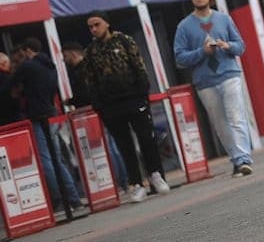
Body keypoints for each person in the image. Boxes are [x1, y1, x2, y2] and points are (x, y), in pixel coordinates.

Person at [78, 15, 170, 203]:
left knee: (147, 138)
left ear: (107, 23)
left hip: (134, 99)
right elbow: (91, 81)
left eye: (97, 25)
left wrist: (142, 93)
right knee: (124, 146)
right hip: (110, 106)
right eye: (90, 27)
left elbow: (139, 67)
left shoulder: (124, 41)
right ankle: (136, 183)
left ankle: (155, 174)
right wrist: (99, 105)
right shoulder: (90, 52)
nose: (94, 29)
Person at [173, 0, 255, 177]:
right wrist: (203, 52)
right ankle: (236, 159)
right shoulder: (184, 27)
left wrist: (228, 46)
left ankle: (243, 158)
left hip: (229, 74)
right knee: (220, 123)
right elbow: (179, 58)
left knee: (236, 117)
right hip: (205, 81)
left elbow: (241, 46)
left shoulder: (223, 19)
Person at [11, 39, 86, 213]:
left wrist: (20, 90)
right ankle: (73, 198)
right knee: (56, 159)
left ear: (28, 51)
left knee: (46, 160)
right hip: (51, 113)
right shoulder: (50, 66)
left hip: (37, 116)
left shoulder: (28, 66)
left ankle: (60, 199)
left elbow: (11, 84)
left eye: (21, 56)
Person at [62, 41, 129, 193]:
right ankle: (124, 181)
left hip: (92, 111)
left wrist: (71, 101)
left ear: (73, 53)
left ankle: (117, 182)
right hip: (104, 108)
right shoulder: (93, 66)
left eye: (65, 56)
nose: (65, 60)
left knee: (106, 148)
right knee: (112, 146)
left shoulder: (80, 71)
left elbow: (85, 94)